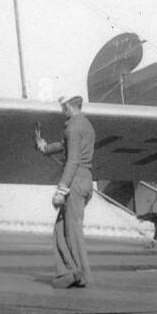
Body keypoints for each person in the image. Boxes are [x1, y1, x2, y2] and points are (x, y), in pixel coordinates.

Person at [34, 94, 95, 288]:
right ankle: (69, 272)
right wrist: (44, 147)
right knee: (60, 230)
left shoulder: (73, 126)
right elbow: (65, 146)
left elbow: (73, 160)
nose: (62, 112)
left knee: (72, 230)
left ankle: (82, 276)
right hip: (84, 179)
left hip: (75, 181)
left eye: (63, 108)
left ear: (68, 106)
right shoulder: (85, 124)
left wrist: (61, 190)